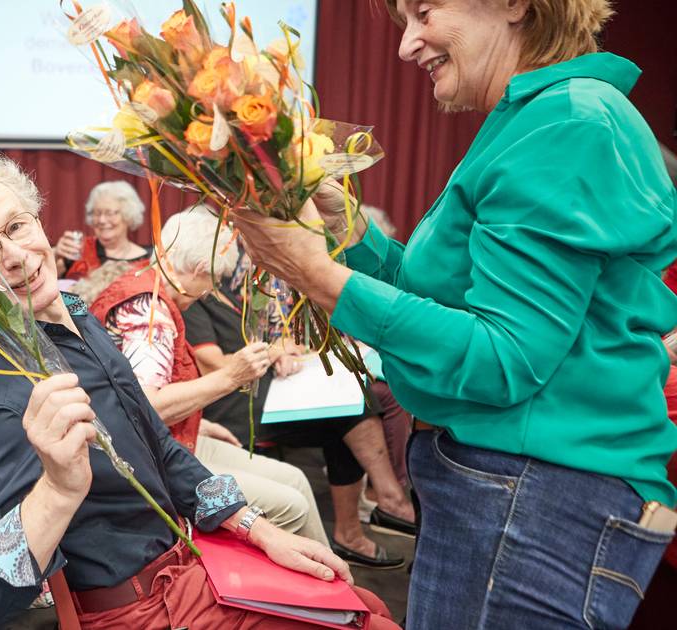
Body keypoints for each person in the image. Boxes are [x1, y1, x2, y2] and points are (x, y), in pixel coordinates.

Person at [233, 1, 677, 627]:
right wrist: (348, 231)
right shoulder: (540, 117)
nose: (406, 45)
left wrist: (315, 272)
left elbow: (502, 358)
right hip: (521, 490)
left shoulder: (568, 123)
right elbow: (452, 304)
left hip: (534, 495)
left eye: (424, 12)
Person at [0, 155, 397, 629]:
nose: (12, 254)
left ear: (38, 220)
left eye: (16, 226)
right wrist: (56, 489)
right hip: (142, 612)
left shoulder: (76, 319)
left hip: (190, 570)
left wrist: (259, 530)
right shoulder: (0, 400)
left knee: (365, 608)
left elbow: (158, 444)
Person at [89, 205, 330, 546]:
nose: (207, 293)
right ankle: (304, 589)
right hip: (151, 460)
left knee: (296, 480)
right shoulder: (151, 314)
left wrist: (198, 423)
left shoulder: (142, 284)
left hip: (170, 439)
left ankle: (330, 589)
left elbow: (128, 395)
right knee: (292, 505)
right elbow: (147, 407)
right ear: (201, 269)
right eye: (211, 284)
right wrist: (231, 376)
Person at [182, 249, 416, 568]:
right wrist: (272, 352)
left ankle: (363, 521)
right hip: (233, 404)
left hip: (264, 390)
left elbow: (262, 344)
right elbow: (216, 366)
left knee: (351, 405)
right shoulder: (197, 300)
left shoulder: (240, 294)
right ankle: (385, 504)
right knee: (349, 410)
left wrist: (281, 354)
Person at [54, 180, 152, 280]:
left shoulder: (149, 260)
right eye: (97, 213)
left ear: (128, 215)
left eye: (109, 213)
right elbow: (50, 279)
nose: (102, 220)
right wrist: (55, 255)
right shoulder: (80, 249)